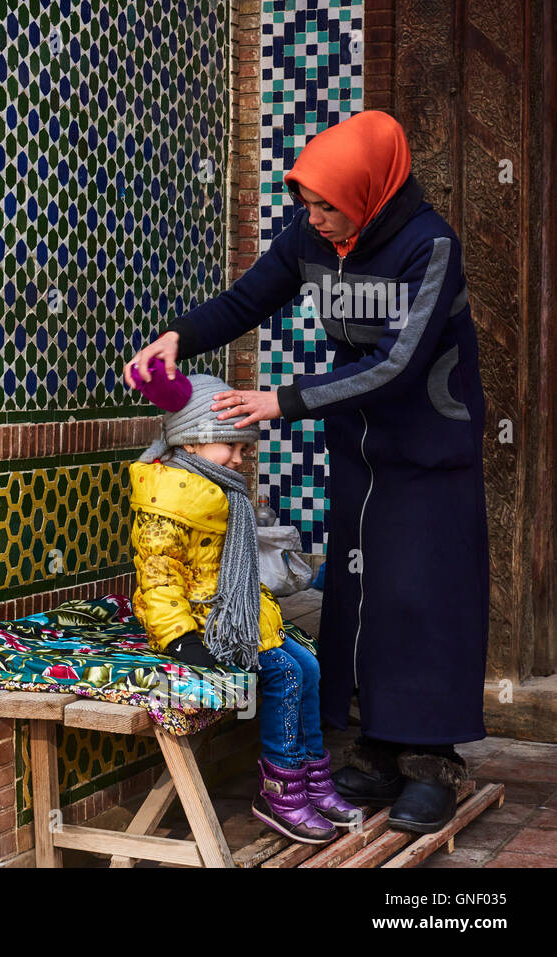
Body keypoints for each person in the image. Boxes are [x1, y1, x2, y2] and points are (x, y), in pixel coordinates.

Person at [124, 110, 488, 833]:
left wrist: (281, 401)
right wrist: (178, 337)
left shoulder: (429, 246)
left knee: (427, 596)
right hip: (360, 444)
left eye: (328, 205)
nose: (313, 218)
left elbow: (398, 363)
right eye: (307, 203)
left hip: (430, 446)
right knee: (366, 591)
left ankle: (431, 762)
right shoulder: (311, 236)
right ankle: (379, 748)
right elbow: (247, 299)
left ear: (370, 193)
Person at [128, 364, 361, 843]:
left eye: (244, 449)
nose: (239, 459)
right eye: (230, 446)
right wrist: (179, 639)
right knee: (286, 673)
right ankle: (280, 789)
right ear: (192, 442)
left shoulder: (218, 487)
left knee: (309, 664)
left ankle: (313, 779)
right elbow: (157, 577)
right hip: (200, 625)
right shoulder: (167, 497)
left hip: (232, 614)